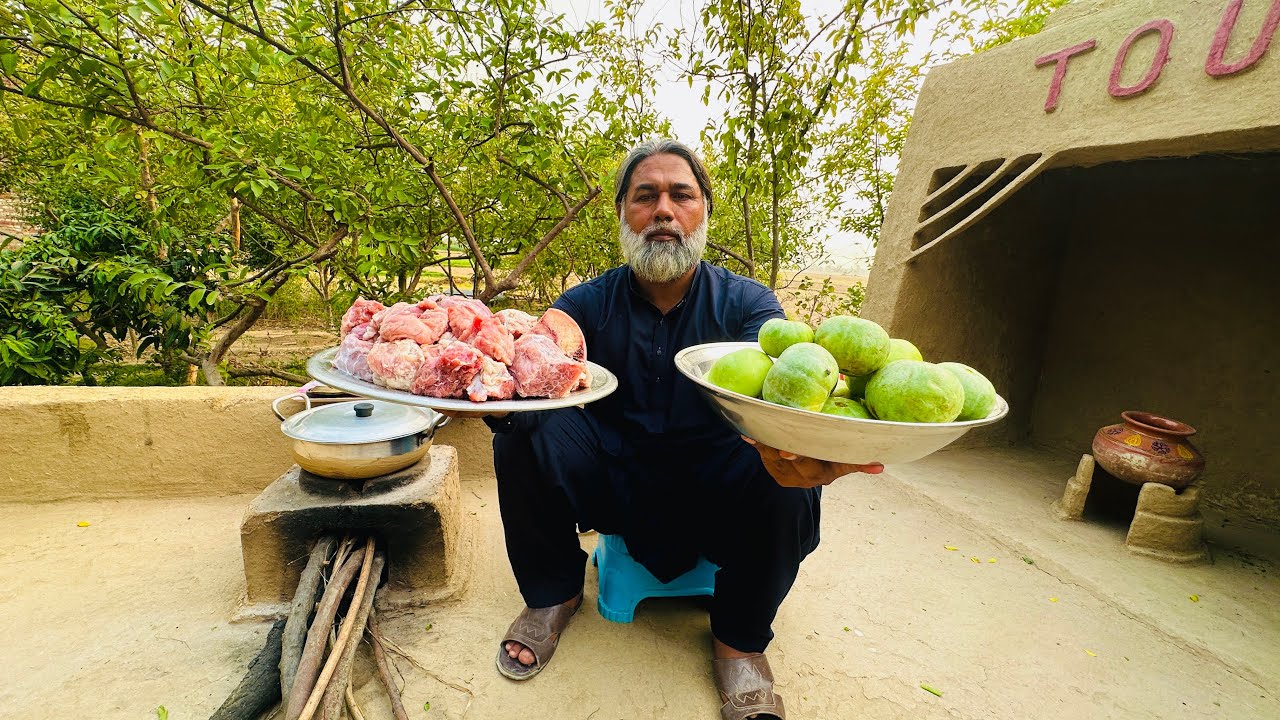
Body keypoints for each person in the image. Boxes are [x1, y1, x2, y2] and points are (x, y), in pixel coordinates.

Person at [471, 139, 882, 720]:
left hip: (719, 480)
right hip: (611, 477)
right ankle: (553, 595)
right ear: (623, 215)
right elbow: (535, 361)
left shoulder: (750, 305)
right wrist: (492, 392)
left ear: (703, 211)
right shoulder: (584, 304)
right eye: (645, 196)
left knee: (783, 465)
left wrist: (807, 442)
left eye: (681, 194)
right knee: (525, 433)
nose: (663, 209)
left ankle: (739, 642)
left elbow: (785, 386)